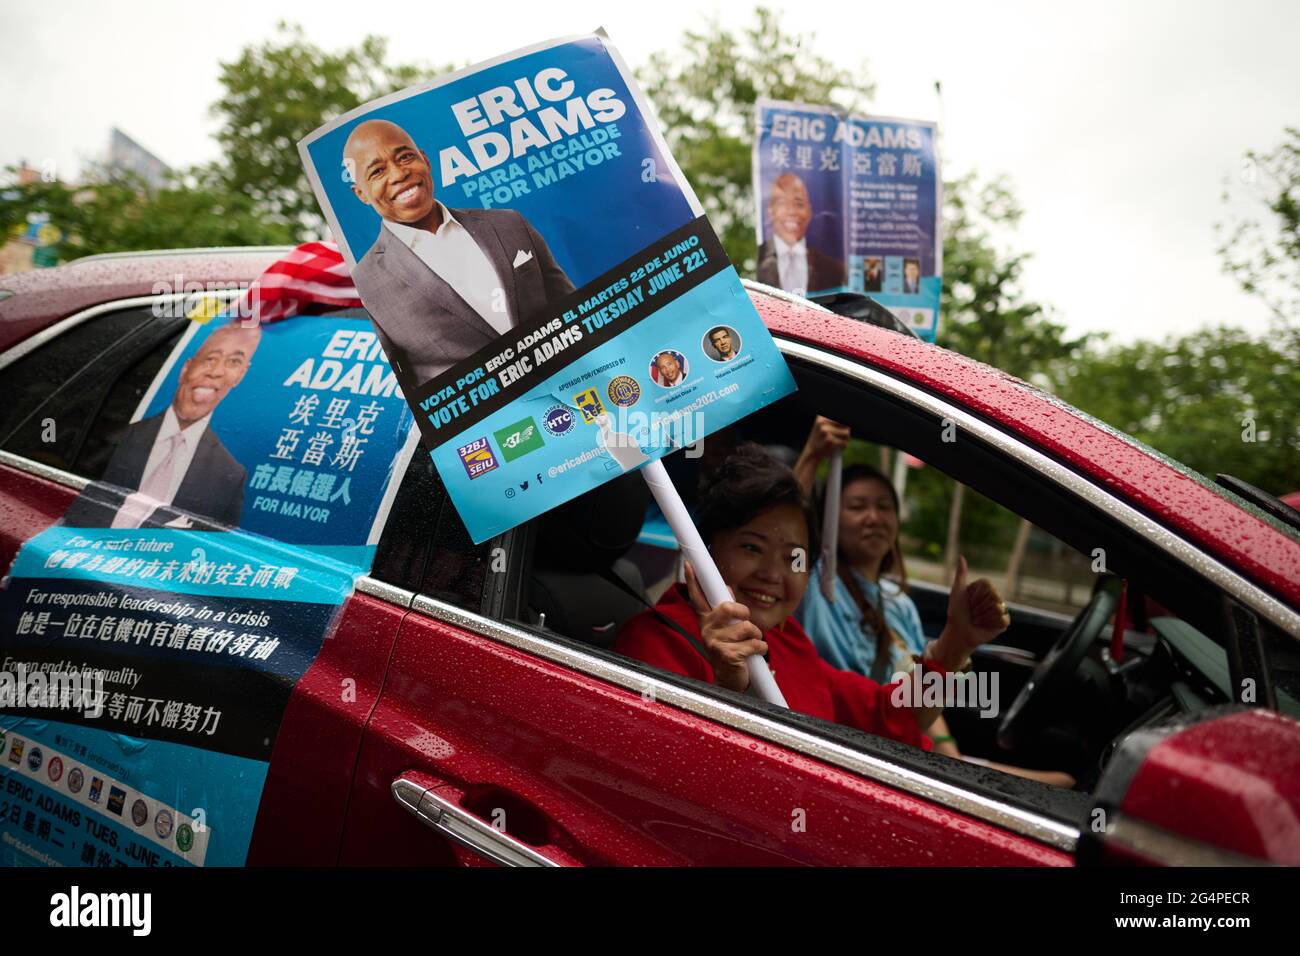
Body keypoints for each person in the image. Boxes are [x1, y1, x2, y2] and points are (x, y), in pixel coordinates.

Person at [615, 444, 1012, 748]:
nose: (773, 574)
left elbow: (888, 716)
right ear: (701, 555)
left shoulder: (787, 640)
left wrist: (954, 644)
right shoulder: (652, 644)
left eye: (794, 558)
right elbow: (670, 778)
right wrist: (726, 691)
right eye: (751, 548)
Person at [793, 416, 1076, 787]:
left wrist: (948, 756)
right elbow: (787, 537)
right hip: (860, 755)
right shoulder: (812, 583)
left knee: (1065, 782)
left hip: (911, 744)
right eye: (857, 506)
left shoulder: (900, 605)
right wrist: (812, 458)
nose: (873, 517)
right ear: (830, 516)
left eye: (884, 507)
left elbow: (923, 682)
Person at [343, 119, 575, 384]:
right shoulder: (364, 284)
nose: (398, 174)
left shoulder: (509, 223)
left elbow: (571, 310)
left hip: (578, 390)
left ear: (426, 160)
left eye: (406, 157)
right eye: (377, 172)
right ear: (361, 193)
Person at [62, 321, 260, 530]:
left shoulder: (229, 477)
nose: (216, 372)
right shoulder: (111, 436)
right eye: (210, 358)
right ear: (186, 368)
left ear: (241, 374)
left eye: (233, 362)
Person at [755, 172, 847, 295]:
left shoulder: (835, 269)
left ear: (809, 211)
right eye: (782, 203)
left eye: (799, 204)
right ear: (770, 210)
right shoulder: (753, 260)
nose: (792, 211)